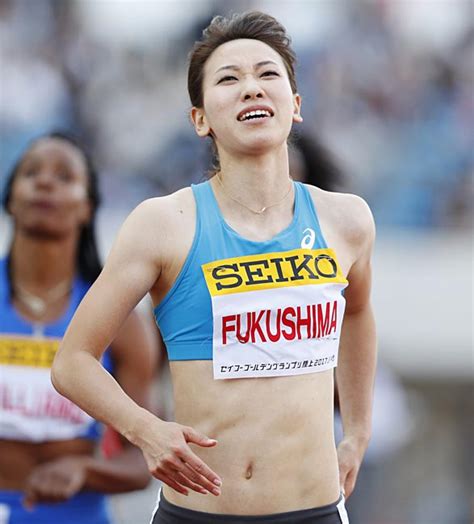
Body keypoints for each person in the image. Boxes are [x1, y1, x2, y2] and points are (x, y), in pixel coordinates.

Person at [52, 11, 377, 524]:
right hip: (198, 513)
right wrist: (145, 429)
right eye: (229, 79)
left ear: (294, 106)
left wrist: (357, 433)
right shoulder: (164, 224)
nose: (251, 87)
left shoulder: (348, 221)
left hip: (314, 510)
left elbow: (356, 313)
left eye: (267, 74)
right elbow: (72, 362)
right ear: (200, 119)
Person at [0, 131, 158, 523]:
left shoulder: (120, 319)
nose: (44, 181)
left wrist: (85, 470)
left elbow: (144, 457)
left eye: (64, 176)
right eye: (31, 172)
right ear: (10, 198)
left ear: (86, 207)